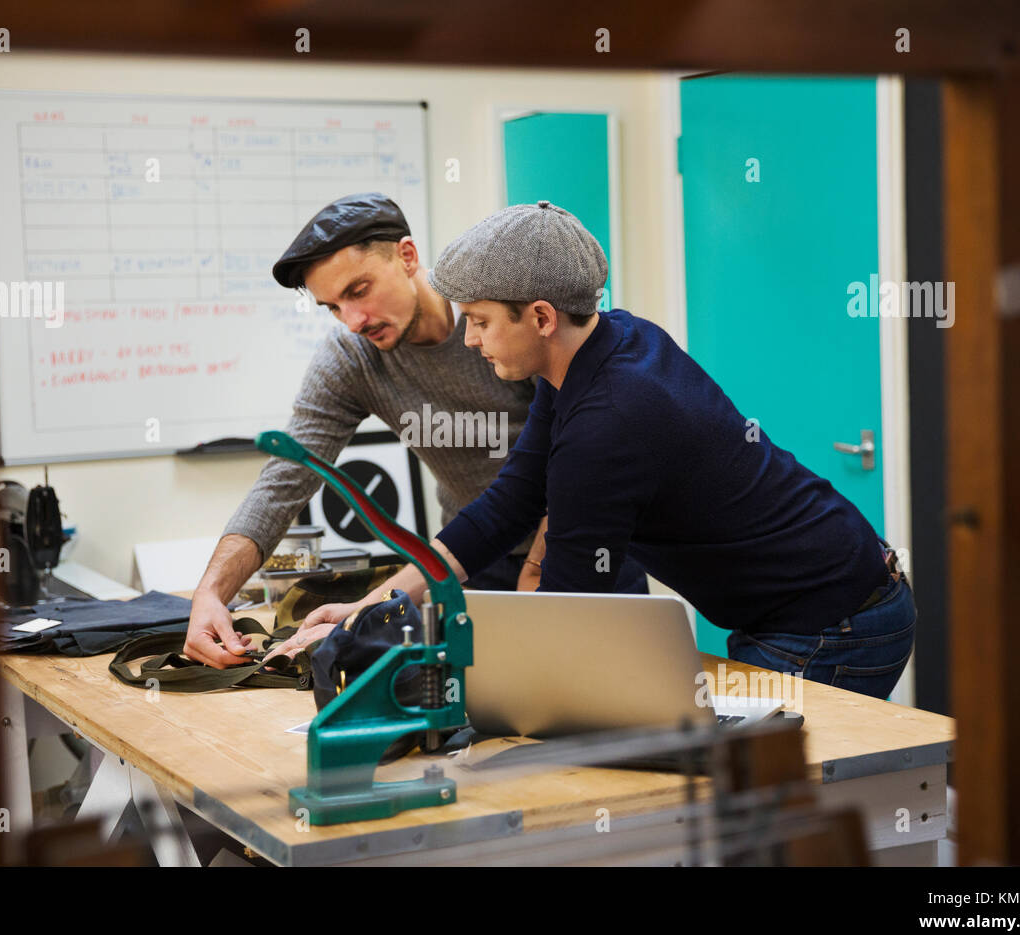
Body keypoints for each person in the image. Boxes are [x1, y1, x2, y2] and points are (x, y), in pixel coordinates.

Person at [278, 200, 915, 700]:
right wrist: (377, 606)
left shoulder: (610, 418)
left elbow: (570, 614)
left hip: (834, 622)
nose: (469, 340)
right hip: (805, 602)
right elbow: (509, 504)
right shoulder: (600, 347)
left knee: (754, 814)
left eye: (480, 320)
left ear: (542, 317)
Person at [185, 194, 645, 670]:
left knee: (612, 705)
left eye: (359, 290)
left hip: (585, 550)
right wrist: (212, 593)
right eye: (333, 307)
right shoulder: (352, 360)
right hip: (468, 558)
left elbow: (574, 460)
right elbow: (286, 478)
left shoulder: (502, 327)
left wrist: (537, 568)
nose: (353, 321)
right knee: (489, 721)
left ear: (407, 257)